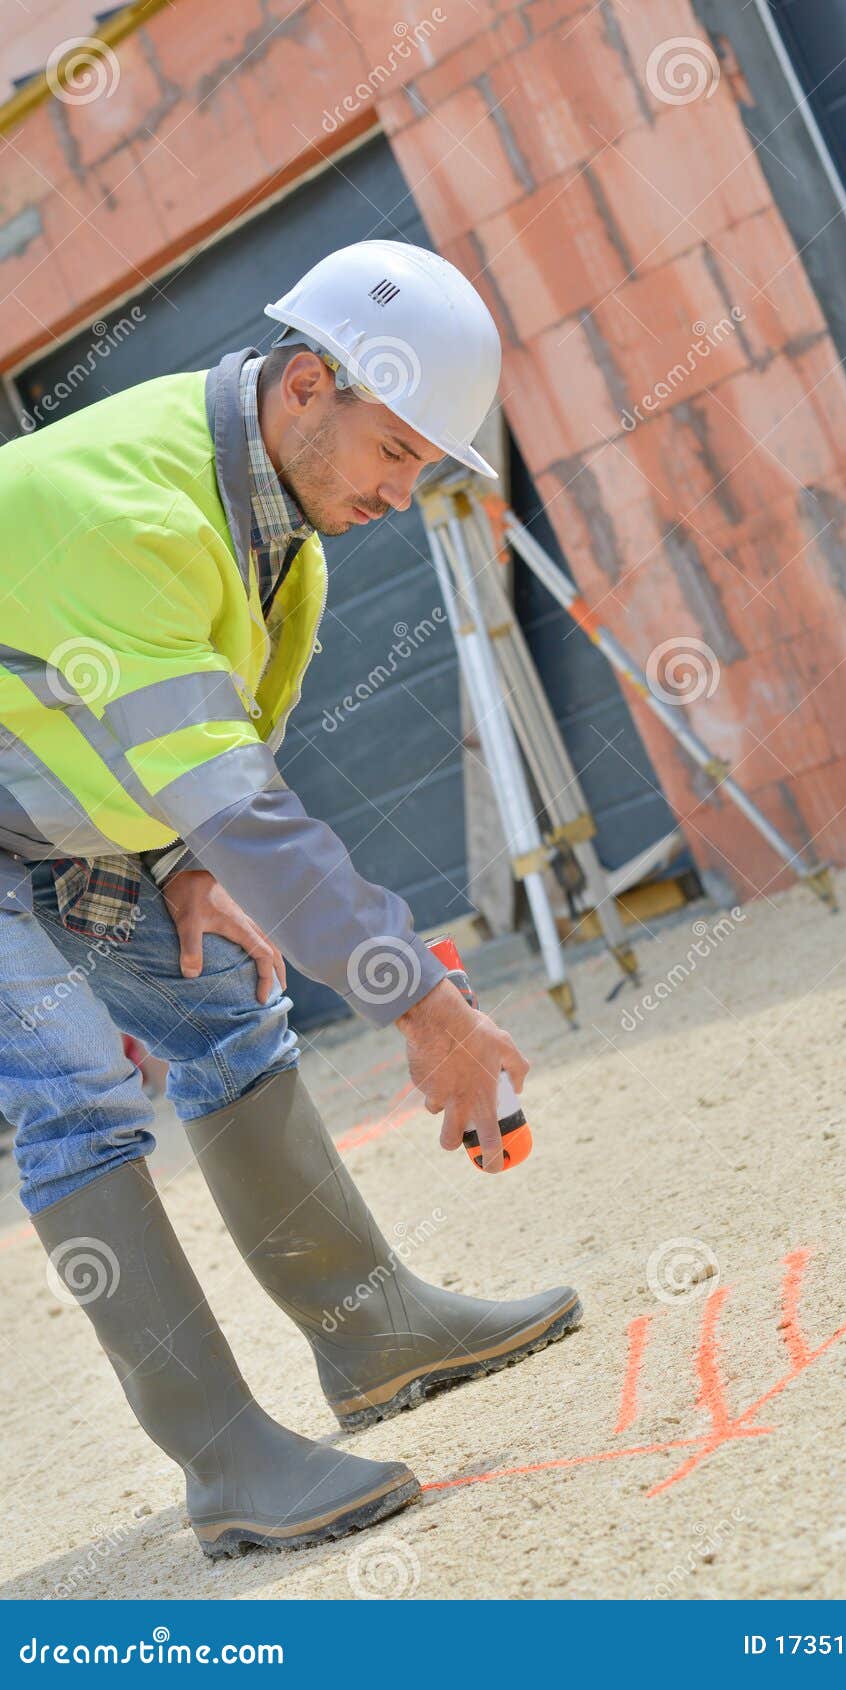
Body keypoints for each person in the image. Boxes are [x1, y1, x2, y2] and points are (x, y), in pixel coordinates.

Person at [0, 241, 581, 1558]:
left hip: (30, 795)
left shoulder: (288, 550)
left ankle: (370, 1327)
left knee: (222, 988)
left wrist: (190, 872)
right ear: (310, 383)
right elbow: (247, 808)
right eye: (396, 453)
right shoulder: (134, 510)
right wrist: (422, 1003)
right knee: (79, 1092)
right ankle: (227, 1463)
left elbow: (211, 777)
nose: (401, 490)